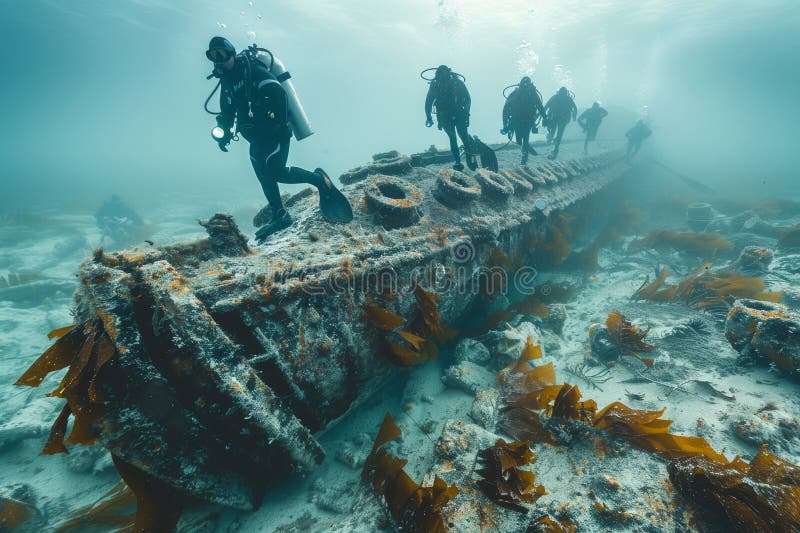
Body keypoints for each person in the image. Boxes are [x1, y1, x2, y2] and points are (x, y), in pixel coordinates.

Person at [206, 37, 351, 244]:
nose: (217, 60)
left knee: (276, 172)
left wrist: (274, 124)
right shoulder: (227, 82)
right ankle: (280, 214)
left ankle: (320, 181)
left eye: (221, 54)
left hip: (275, 133)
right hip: (256, 137)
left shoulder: (252, 71)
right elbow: (227, 112)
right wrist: (224, 134)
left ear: (232, 53)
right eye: (212, 56)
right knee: (261, 172)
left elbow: (278, 93)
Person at [425, 65, 478, 171]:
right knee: (454, 137)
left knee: (460, 136)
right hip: (448, 115)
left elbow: (428, 102)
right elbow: (428, 102)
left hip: (455, 114)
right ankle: (459, 161)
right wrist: (428, 117)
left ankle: (466, 157)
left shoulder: (456, 83)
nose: (443, 77)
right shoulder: (436, 85)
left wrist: (429, 117)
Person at [501, 77, 546, 165]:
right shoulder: (516, 94)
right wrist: (505, 124)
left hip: (527, 121)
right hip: (517, 120)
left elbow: (540, 107)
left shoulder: (531, 94)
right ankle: (526, 147)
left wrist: (545, 118)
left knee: (525, 138)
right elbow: (506, 109)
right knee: (519, 141)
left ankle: (524, 156)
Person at [543, 87, 577, 160]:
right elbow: (575, 108)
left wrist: (543, 116)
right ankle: (556, 147)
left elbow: (546, 106)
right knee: (560, 133)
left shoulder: (554, 97)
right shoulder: (568, 99)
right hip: (563, 119)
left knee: (553, 130)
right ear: (566, 92)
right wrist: (574, 116)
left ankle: (550, 140)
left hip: (554, 117)